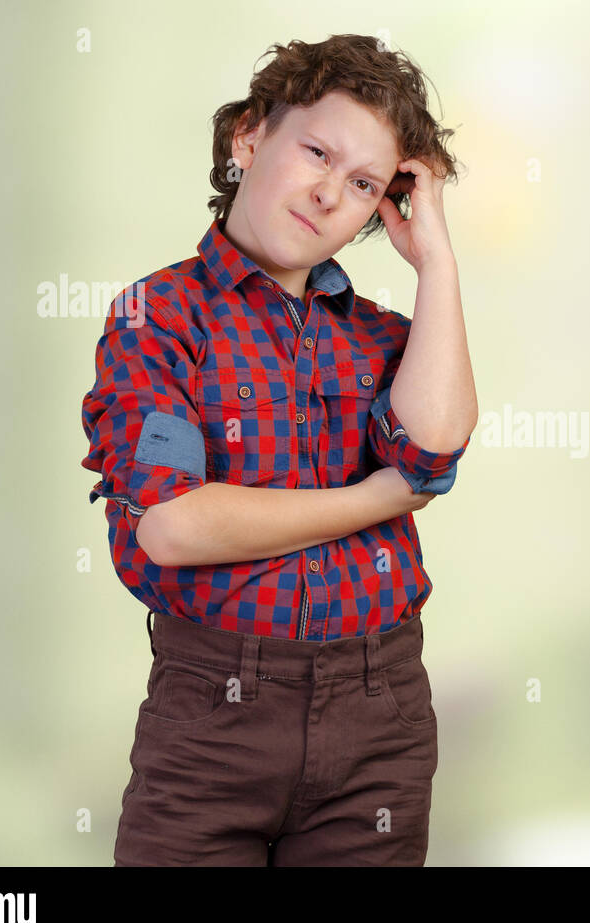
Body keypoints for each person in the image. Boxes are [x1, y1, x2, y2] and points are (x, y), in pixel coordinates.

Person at [79, 35, 478, 866]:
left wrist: (434, 260)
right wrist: (377, 499)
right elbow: (175, 526)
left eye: (366, 183)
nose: (332, 193)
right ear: (249, 138)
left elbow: (434, 450)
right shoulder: (158, 317)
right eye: (317, 153)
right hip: (212, 723)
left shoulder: (380, 337)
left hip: (380, 717)